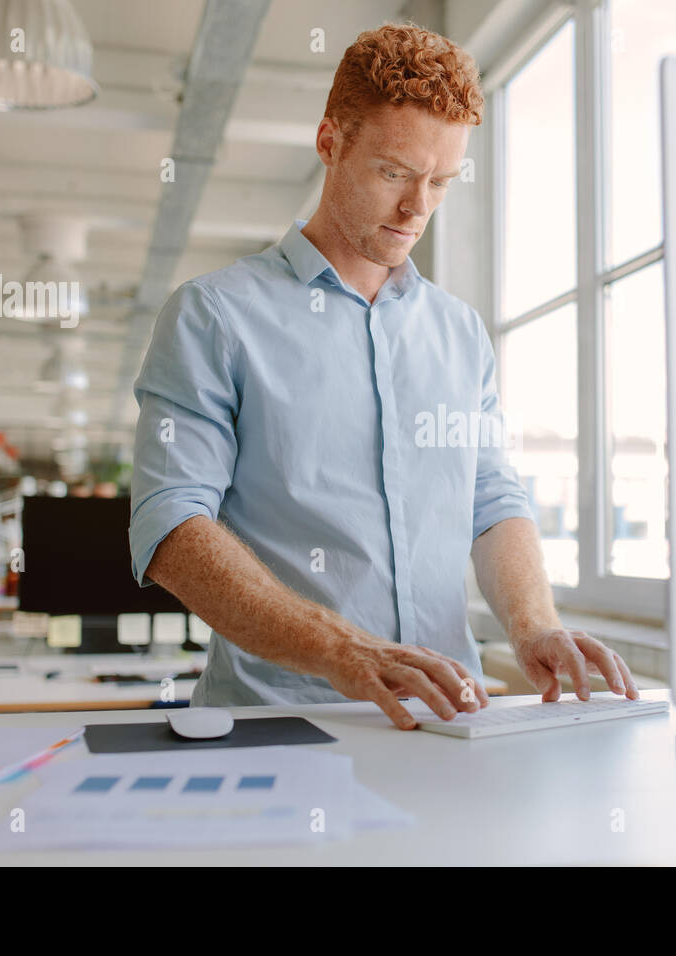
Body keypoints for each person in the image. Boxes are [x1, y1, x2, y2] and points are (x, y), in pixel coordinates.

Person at [129, 23, 637, 730]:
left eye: (440, 182)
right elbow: (172, 526)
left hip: (446, 726)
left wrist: (533, 626)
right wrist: (343, 650)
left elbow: (490, 500)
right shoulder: (215, 315)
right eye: (394, 172)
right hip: (276, 727)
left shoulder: (459, 333)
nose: (416, 207)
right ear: (330, 142)